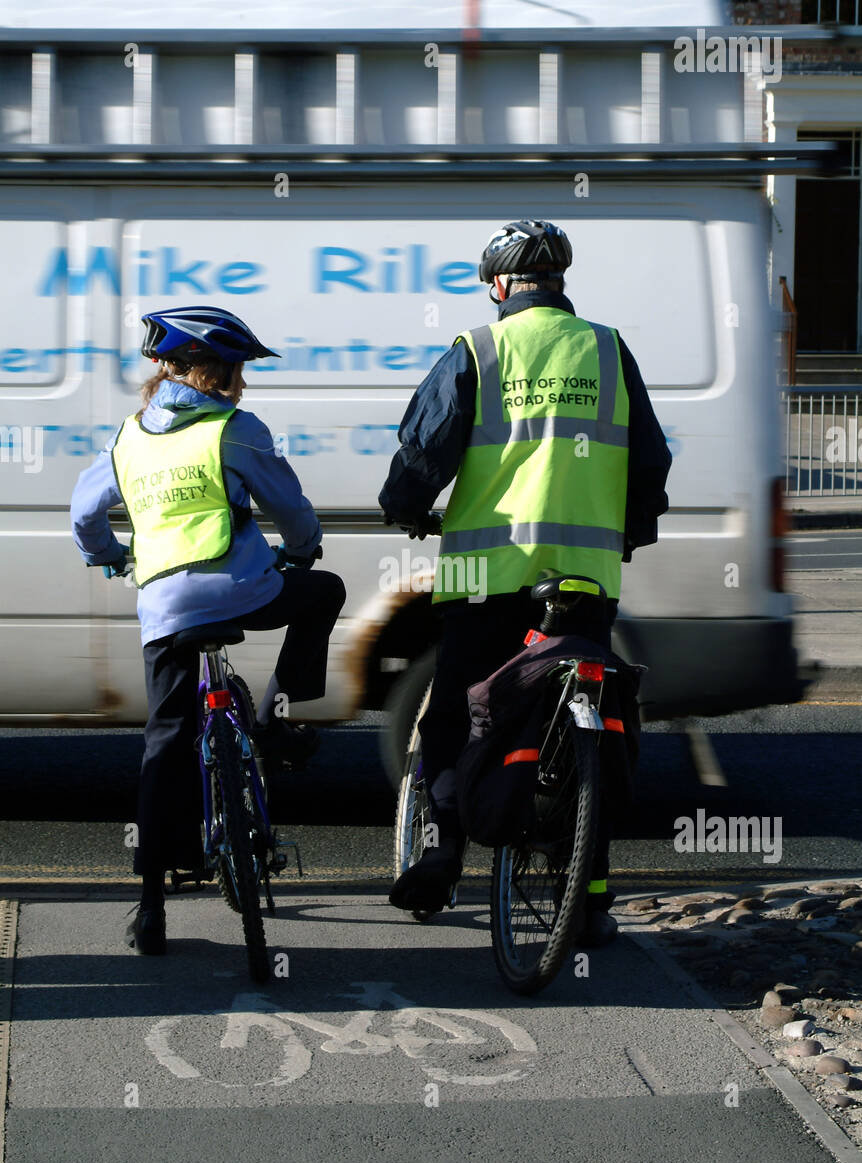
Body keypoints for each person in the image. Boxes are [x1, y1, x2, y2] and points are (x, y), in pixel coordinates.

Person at [380, 219, 671, 941]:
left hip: (487, 576)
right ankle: (590, 898)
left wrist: (404, 507)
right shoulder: (607, 349)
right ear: (558, 284)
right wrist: (631, 532)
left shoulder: (478, 349)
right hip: (584, 578)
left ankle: (443, 853)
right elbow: (651, 457)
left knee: (451, 714)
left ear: (500, 286)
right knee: (592, 730)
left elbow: (426, 447)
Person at [71, 305, 346, 956]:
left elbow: (84, 516)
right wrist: (303, 549)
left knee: (164, 740)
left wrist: (112, 558)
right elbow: (292, 511)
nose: (240, 383)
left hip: (164, 608)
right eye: (232, 370)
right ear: (204, 373)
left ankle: (151, 907)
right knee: (323, 593)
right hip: (246, 590)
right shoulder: (237, 429)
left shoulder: (127, 437)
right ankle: (277, 721)